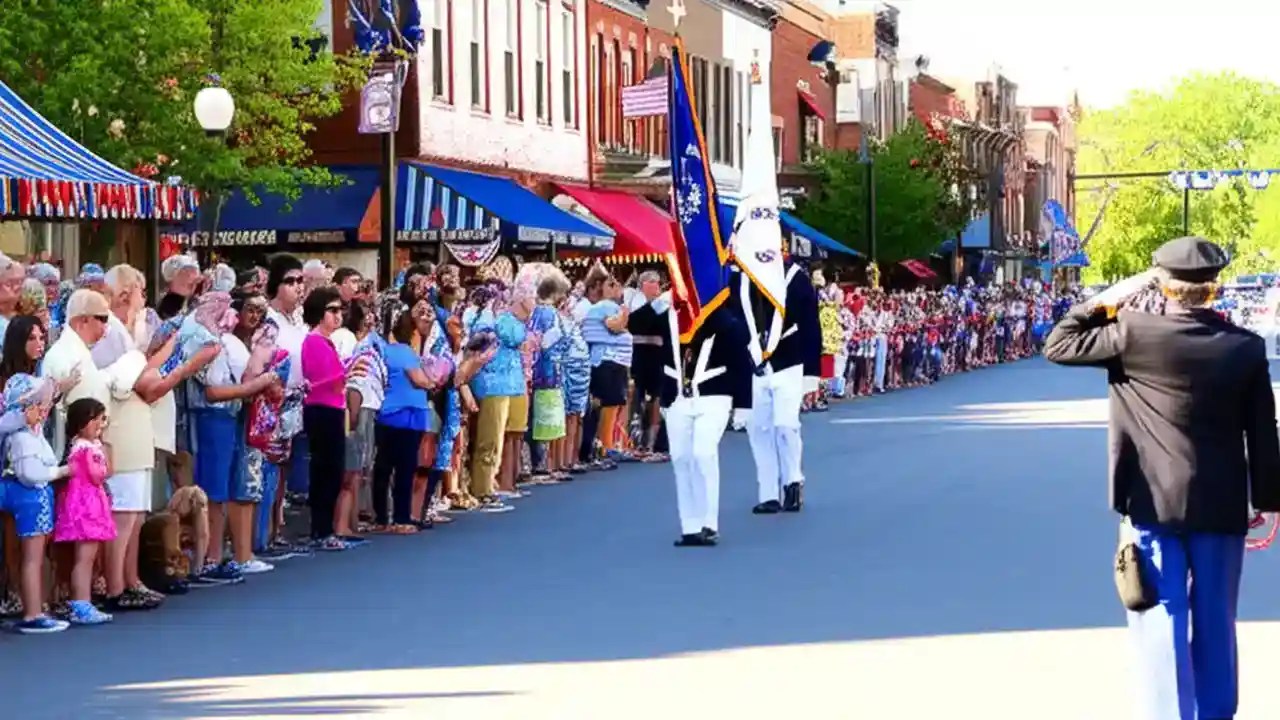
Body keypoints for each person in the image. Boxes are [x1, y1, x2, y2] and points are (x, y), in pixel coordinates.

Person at [1043, 235, 1280, 720]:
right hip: (1220, 503)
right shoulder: (1245, 348)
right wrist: (1269, 499)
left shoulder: (1132, 334)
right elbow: (1263, 430)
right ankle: (1216, 713)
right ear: (1215, 287)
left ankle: (1172, 713)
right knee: (1217, 617)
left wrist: (1118, 293)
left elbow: (1058, 342)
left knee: (1160, 617)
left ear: (1163, 286)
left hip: (1150, 503)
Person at [741, 259, 821, 515]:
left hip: (789, 361)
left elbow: (810, 324)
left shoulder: (795, 277)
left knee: (786, 426)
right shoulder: (740, 277)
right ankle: (768, 493)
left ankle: (792, 482)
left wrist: (811, 371)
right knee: (759, 429)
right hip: (754, 364)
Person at [0, 374, 67, 633]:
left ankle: (36, 608)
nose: (44, 409)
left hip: (36, 498)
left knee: (33, 558)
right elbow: (31, 473)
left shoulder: (31, 433)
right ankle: (32, 612)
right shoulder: (21, 437)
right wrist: (61, 472)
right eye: (38, 404)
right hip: (31, 498)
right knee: (32, 558)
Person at [300, 286, 360, 550]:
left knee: (332, 470)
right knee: (326, 470)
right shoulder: (314, 341)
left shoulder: (326, 341)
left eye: (340, 310)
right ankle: (320, 530)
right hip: (321, 408)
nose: (338, 316)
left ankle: (323, 529)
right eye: (332, 310)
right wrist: (349, 369)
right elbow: (322, 381)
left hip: (332, 408)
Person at [54, 397, 115, 625]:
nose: (100, 424)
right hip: (85, 507)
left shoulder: (85, 446)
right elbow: (98, 474)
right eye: (96, 420)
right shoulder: (85, 448)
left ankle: (82, 601)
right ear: (82, 422)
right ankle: (81, 603)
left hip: (88, 503)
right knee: (85, 558)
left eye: (102, 419)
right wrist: (102, 459)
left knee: (86, 557)